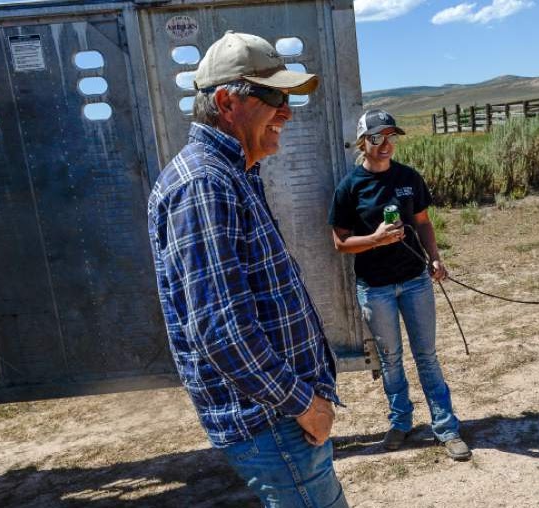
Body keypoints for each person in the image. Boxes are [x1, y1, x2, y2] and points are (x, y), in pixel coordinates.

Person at [147, 31, 347, 507]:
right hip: (272, 418)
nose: (287, 111)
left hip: (275, 415)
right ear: (225, 101)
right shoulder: (205, 184)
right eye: (274, 96)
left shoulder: (232, 174)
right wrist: (304, 403)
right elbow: (220, 331)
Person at [327, 109, 471, 461]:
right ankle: (401, 422)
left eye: (390, 137)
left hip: (414, 281)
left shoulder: (409, 178)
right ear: (363, 142)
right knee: (391, 359)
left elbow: (423, 223)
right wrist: (375, 239)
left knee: (427, 356)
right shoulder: (349, 187)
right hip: (374, 287)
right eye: (377, 138)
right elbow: (340, 243)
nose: (385, 145)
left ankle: (446, 428)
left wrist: (435, 258)